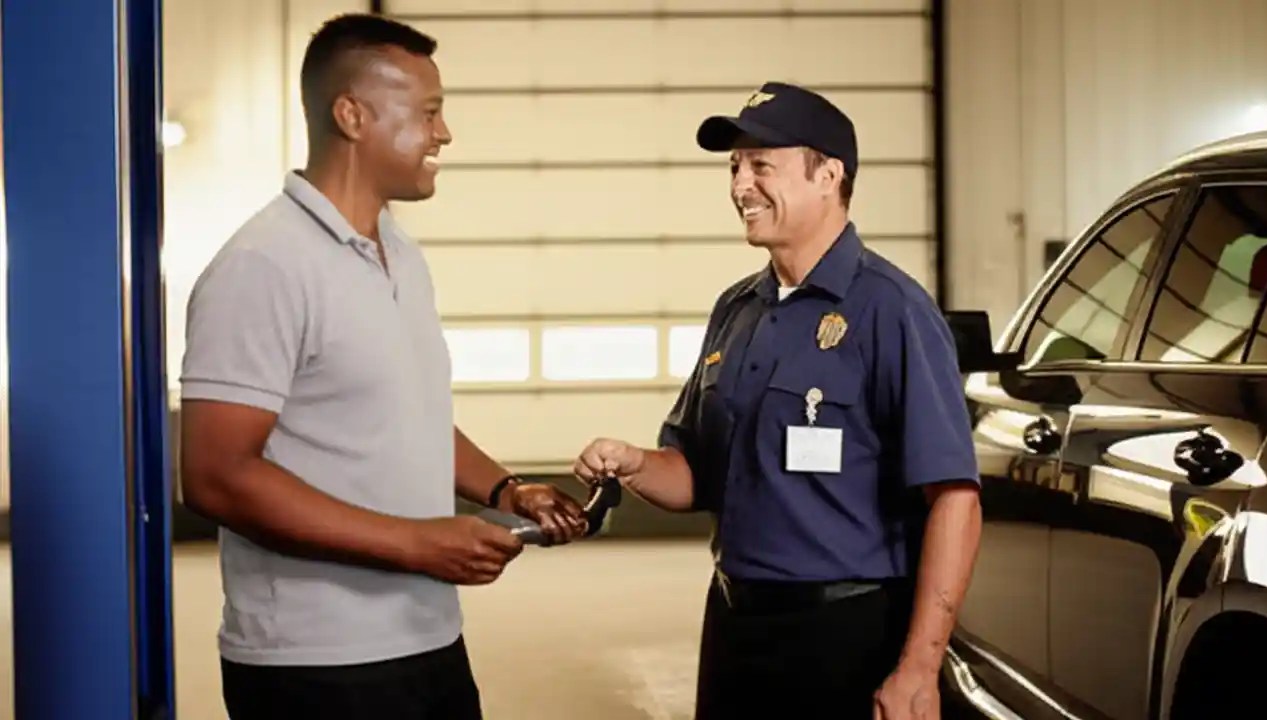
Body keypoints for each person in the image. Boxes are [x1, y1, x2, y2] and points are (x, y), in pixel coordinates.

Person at [179, 13, 587, 720]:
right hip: (315, 666)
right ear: (352, 115)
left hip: (427, 640)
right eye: (428, 112)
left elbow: (408, 415)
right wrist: (417, 544)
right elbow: (216, 478)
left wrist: (505, 489)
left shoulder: (398, 252)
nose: (444, 133)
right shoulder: (264, 266)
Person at [574, 82, 982, 720]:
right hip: (735, 625)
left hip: (844, 635)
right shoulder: (737, 310)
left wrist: (920, 668)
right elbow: (695, 477)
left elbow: (955, 499)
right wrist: (631, 462)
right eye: (735, 167)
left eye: (762, 165)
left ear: (829, 175)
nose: (740, 185)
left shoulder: (892, 311)